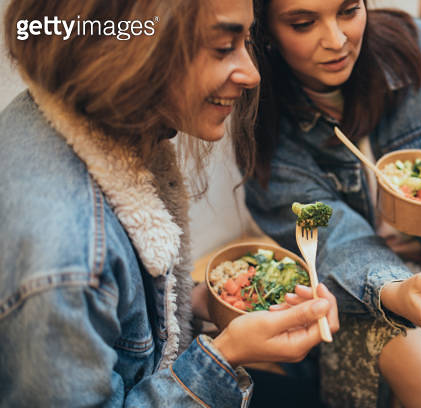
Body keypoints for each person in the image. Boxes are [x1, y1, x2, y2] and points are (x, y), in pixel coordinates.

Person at [0, 0, 339, 407]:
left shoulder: (63, 114)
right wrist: (224, 355)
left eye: (247, 41)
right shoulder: (66, 260)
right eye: (221, 47)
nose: (251, 74)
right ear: (130, 48)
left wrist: (205, 301)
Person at [242, 0, 421, 406]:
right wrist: (393, 290)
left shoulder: (413, 48)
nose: (337, 39)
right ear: (266, 31)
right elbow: (330, 236)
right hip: (354, 286)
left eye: (348, 10)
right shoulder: (266, 118)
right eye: (304, 22)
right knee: (407, 348)